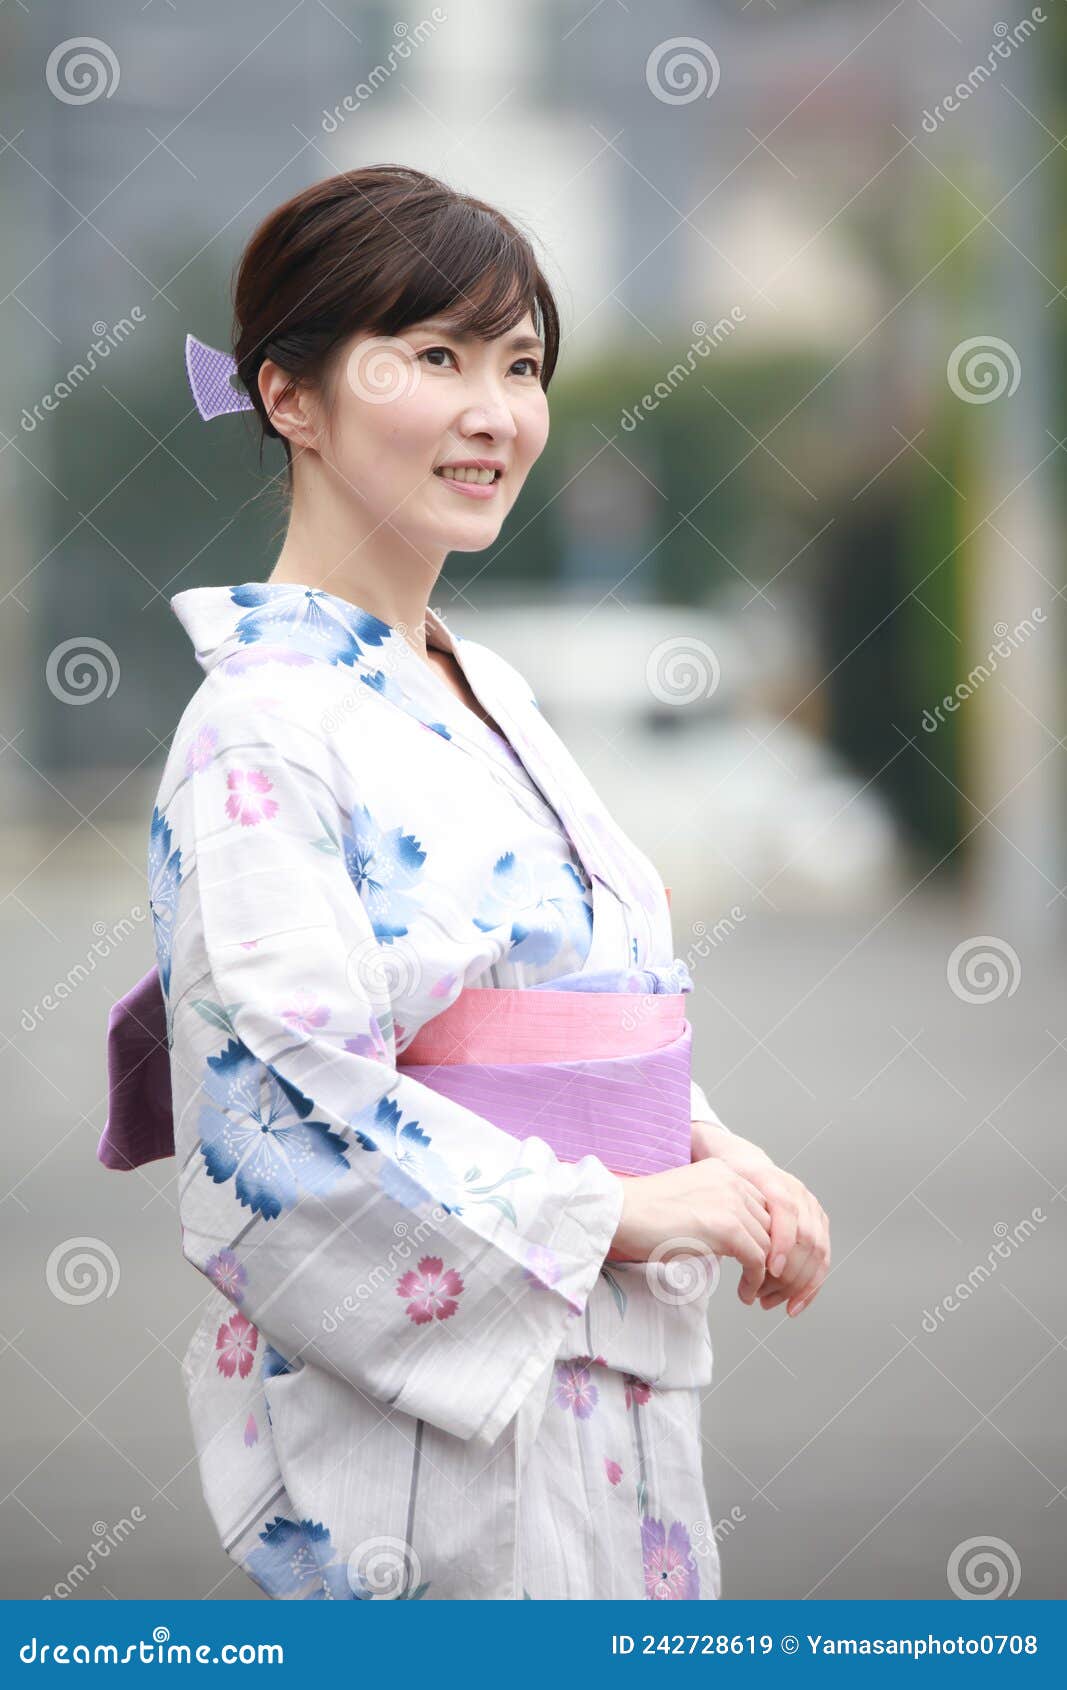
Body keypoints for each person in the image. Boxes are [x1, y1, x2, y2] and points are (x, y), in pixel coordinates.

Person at [143, 165, 829, 1601]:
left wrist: (719, 1155)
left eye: (519, 364)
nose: (494, 412)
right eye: (435, 358)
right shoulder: (259, 723)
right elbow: (276, 1116)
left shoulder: (481, 683)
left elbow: (577, 996)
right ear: (290, 396)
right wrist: (623, 1212)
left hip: (599, 1368)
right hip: (437, 1443)